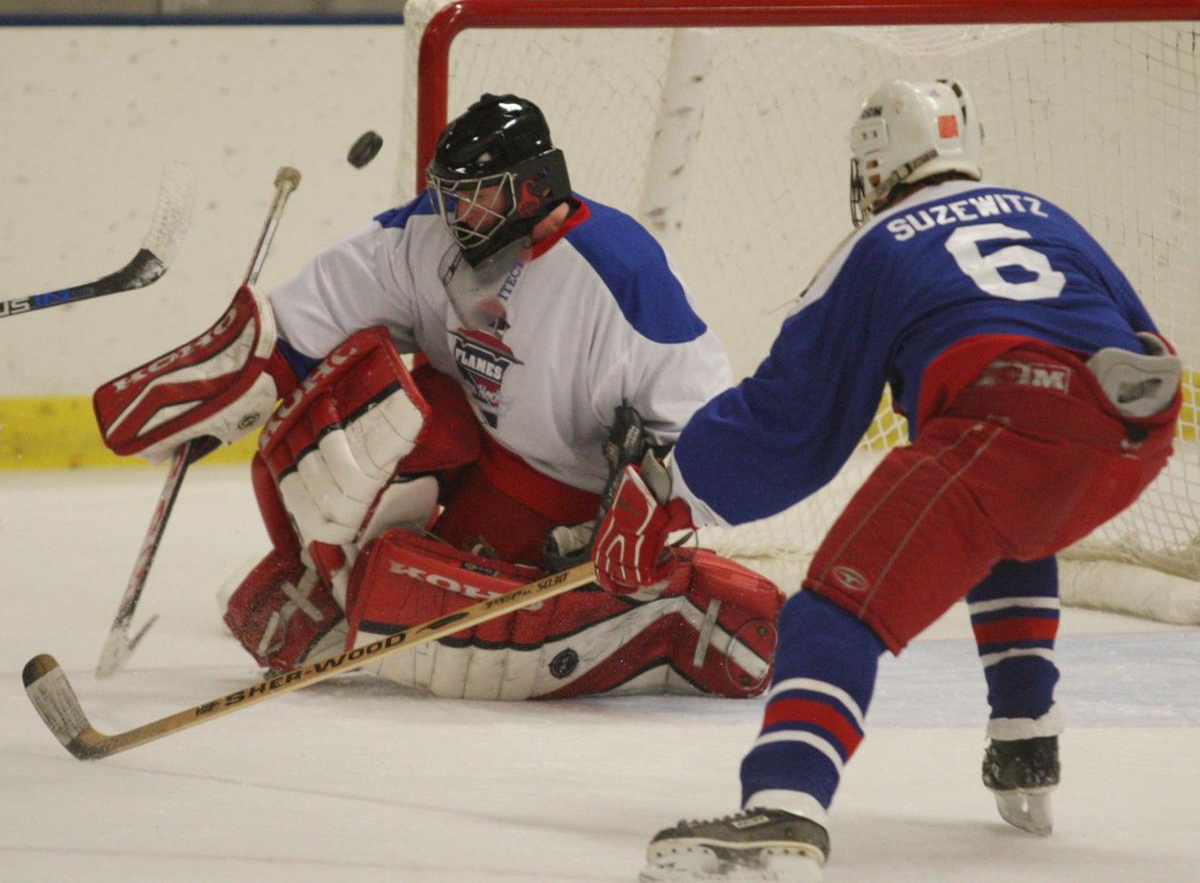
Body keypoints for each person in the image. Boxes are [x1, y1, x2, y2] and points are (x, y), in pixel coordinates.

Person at [587, 79, 1182, 881]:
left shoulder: (875, 245)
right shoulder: (1047, 215)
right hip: (1135, 433)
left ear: (875, 165)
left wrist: (676, 489)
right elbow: (1136, 329)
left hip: (1009, 418)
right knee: (1007, 526)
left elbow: (792, 413)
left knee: (833, 608)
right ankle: (1025, 736)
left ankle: (783, 812)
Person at [91, 92, 783, 701]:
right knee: (331, 427)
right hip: (475, 450)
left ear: (537, 185)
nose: (456, 212)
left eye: (478, 194)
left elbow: (704, 425)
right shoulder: (427, 234)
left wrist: (657, 500)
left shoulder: (620, 274)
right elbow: (307, 324)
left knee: (431, 620)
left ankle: (670, 615)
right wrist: (224, 379)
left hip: (564, 508)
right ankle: (334, 581)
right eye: (452, 192)